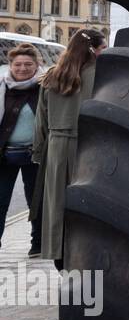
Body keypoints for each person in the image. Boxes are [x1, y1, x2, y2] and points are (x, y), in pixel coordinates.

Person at [33, 28, 106, 266]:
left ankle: (60, 254)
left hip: (56, 147)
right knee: (89, 203)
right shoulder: (103, 76)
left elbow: (40, 121)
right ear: (94, 50)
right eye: (102, 48)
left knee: (57, 204)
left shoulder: (52, 76)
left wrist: (39, 151)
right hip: (90, 146)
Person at [0, 44, 45, 256]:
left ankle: (38, 243)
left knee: (36, 202)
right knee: (0, 202)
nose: (22, 68)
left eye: (28, 64)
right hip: (4, 154)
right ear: (11, 66)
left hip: (35, 154)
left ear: (37, 65)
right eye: (18, 64)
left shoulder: (45, 88)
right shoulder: (2, 88)